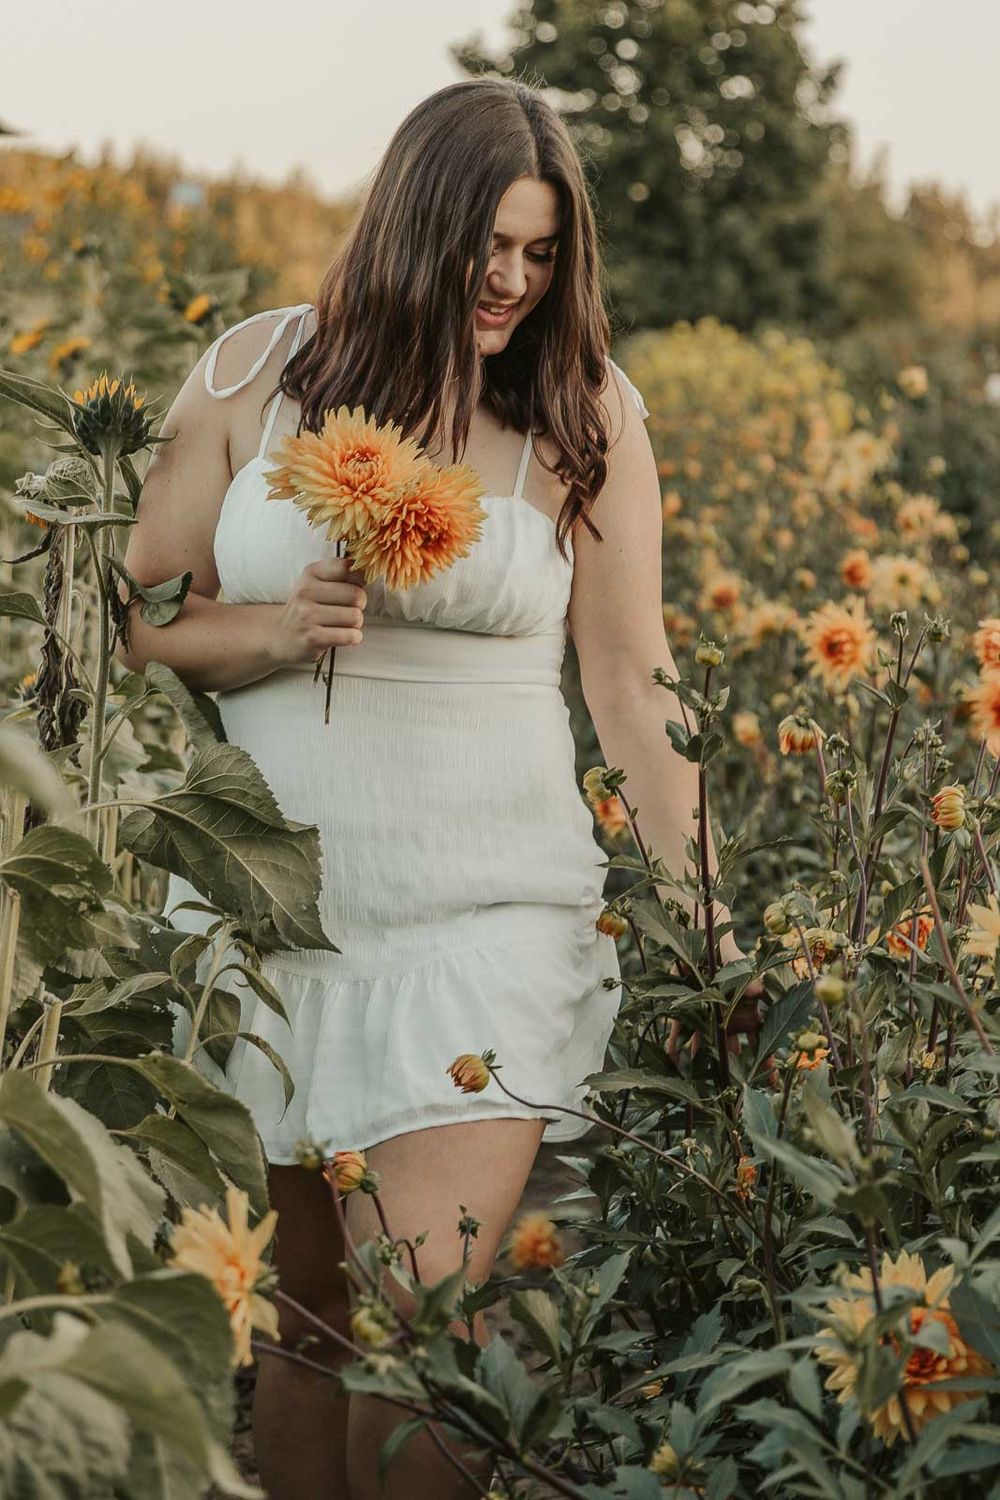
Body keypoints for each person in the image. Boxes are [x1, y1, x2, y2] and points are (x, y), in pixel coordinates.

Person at [118, 76, 759, 1500]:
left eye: (543, 256)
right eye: (492, 253)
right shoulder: (253, 375)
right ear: (417, 228)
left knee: (428, 1339)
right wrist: (281, 630)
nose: (516, 283)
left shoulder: (582, 409)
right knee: (307, 1329)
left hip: (488, 916)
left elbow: (630, 682)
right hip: (275, 926)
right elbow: (144, 608)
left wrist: (714, 922)